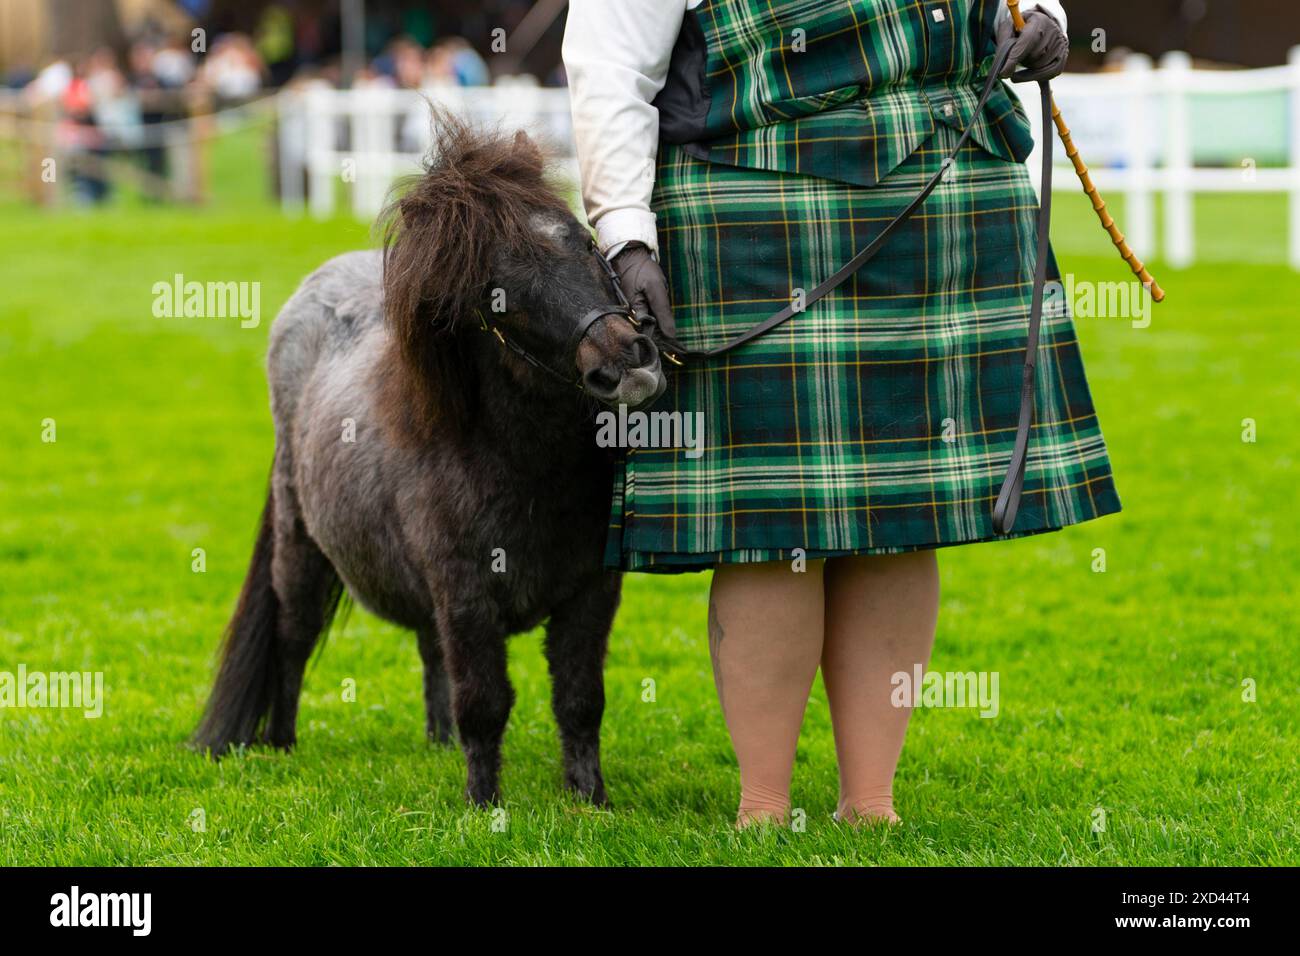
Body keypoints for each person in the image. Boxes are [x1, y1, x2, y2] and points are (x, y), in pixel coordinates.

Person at [564, 0, 1118, 828]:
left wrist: (1044, 15)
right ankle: (763, 807)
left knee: (902, 513)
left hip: (949, 195)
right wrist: (627, 235)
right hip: (757, 207)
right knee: (769, 518)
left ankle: (872, 804)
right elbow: (611, 62)